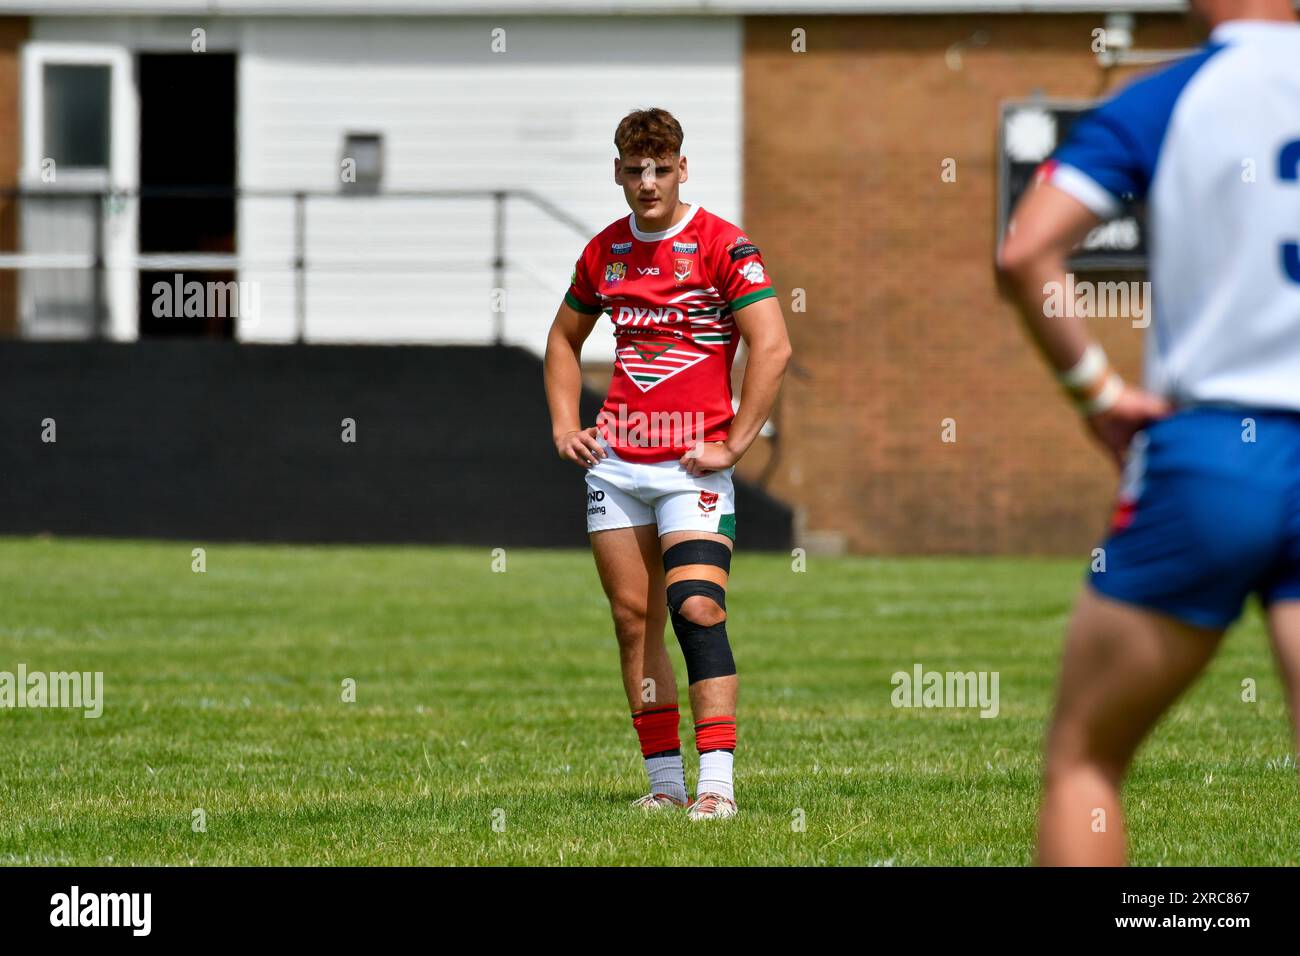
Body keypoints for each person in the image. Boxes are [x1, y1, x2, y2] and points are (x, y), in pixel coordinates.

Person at [998, 0, 1300, 865]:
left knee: (1084, 761)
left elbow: (1026, 253)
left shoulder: (1168, 96)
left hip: (1210, 453)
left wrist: (1096, 393)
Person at [543, 107, 792, 820]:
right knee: (634, 620)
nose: (647, 182)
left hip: (692, 469)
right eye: (634, 169)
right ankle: (666, 785)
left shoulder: (723, 245)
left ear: (683, 168)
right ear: (618, 173)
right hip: (617, 465)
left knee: (697, 607)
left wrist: (736, 442)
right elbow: (562, 341)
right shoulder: (605, 252)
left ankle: (716, 785)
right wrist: (567, 425)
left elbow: (771, 348)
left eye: (660, 168)